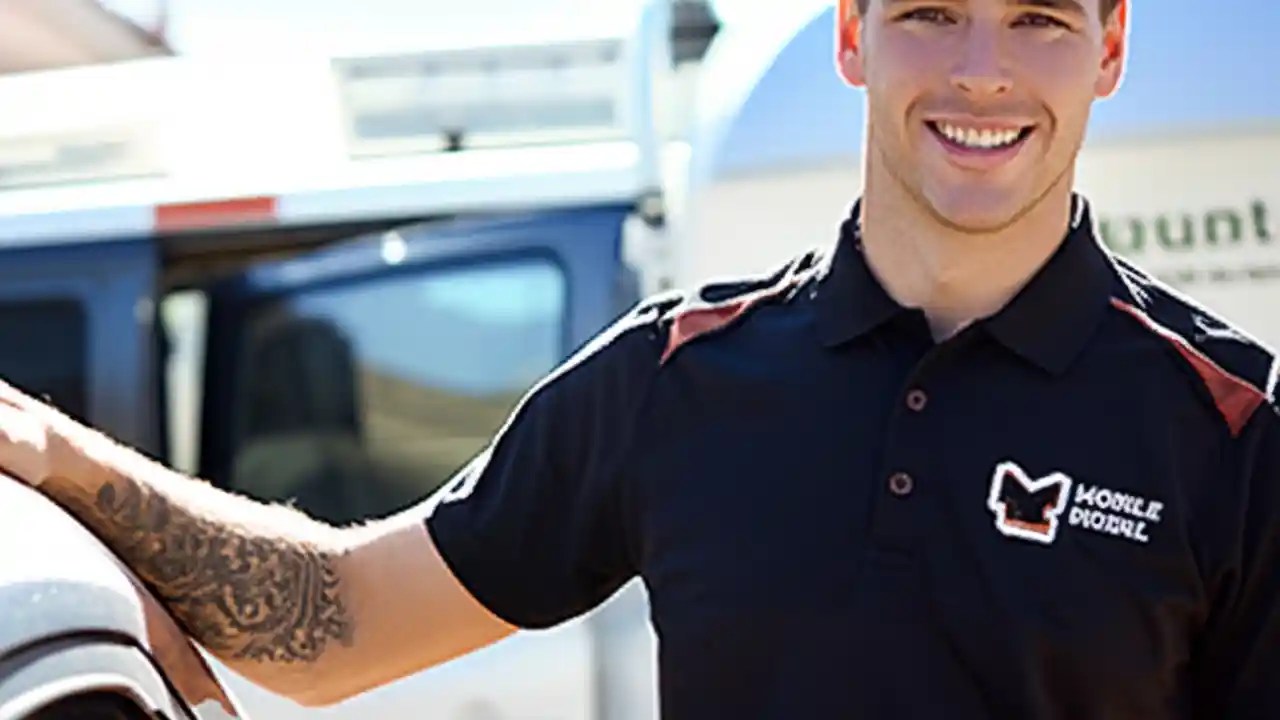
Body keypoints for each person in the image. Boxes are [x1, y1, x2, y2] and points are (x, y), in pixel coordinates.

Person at [1, 0, 1277, 717]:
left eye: (1038, 19)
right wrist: (55, 458)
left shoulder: (1229, 433)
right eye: (930, 13)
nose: (981, 72)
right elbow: (337, 624)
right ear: (852, 36)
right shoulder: (677, 383)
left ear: (1110, 48)